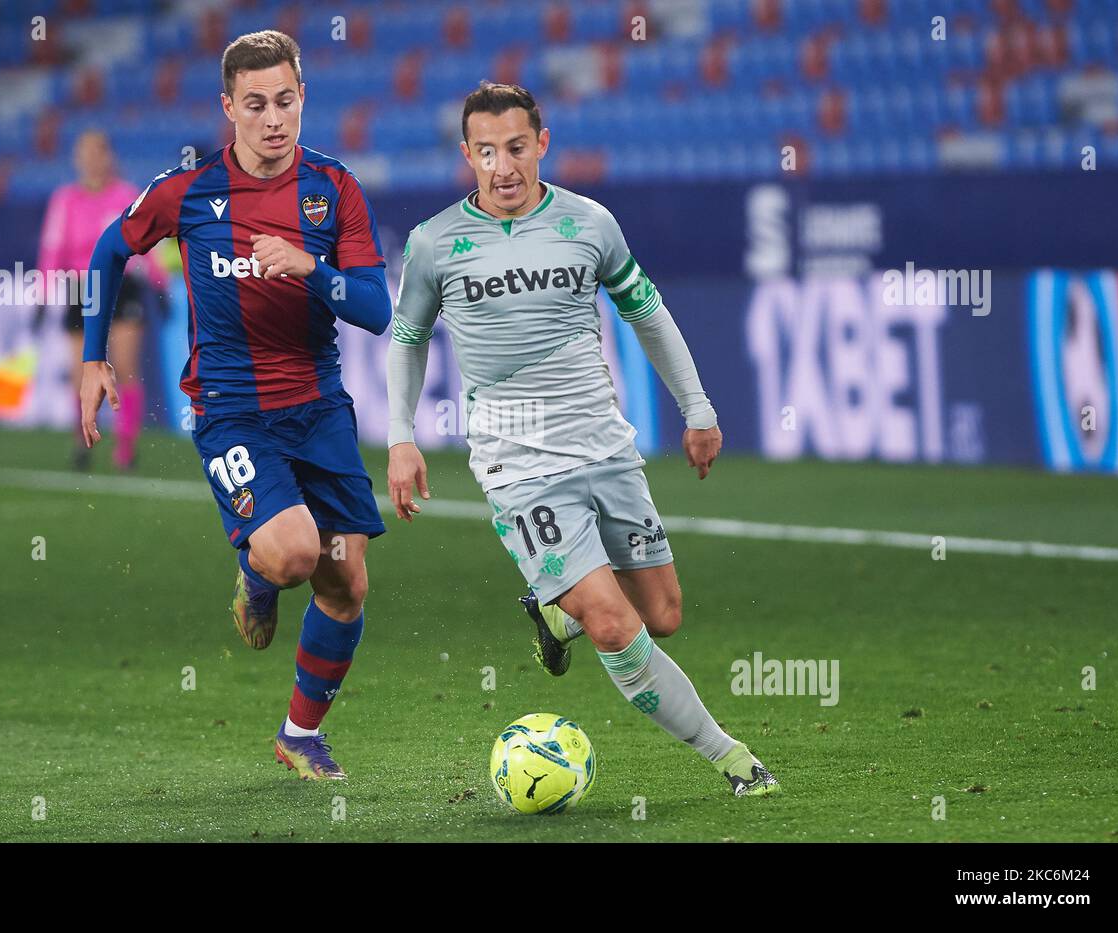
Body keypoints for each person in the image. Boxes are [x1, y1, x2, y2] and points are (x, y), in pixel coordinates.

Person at [386, 82, 779, 797]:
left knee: (664, 614)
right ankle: (734, 759)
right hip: (518, 466)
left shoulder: (589, 223)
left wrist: (698, 409)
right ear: (466, 155)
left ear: (542, 142)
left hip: (604, 447)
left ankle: (552, 614)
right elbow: (407, 339)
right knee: (613, 621)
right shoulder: (435, 242)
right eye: (485, 152)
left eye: (515, 147)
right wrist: (399, 437)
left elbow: (648, 316)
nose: (502, 167)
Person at [79, 31, 391, 780]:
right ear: (228, 108)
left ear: (302, 96)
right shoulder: (189, 189)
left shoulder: (334, 189)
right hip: (230, 407)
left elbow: (377, 309)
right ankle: (258, 570)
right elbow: (108, 250)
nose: (274, 119)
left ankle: (298, 734)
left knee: (347, 583)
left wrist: (311, 268)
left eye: (286, 100)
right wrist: (94, 355)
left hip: (319, 407)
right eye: (256, 104)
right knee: (293, 553)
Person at [37, 129, 165, 470]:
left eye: (98, 153)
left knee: (125, 368)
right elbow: (52, 251)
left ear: (108, 156)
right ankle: (83, 439)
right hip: (81, 288)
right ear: (77, 160)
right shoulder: (65, 200)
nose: (92, 160)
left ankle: (125, 447)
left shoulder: (125, 195)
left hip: (122, 286)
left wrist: (159, 284)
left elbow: (146, 243)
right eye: (86, 154)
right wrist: (43, 295)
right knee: (82, 372)